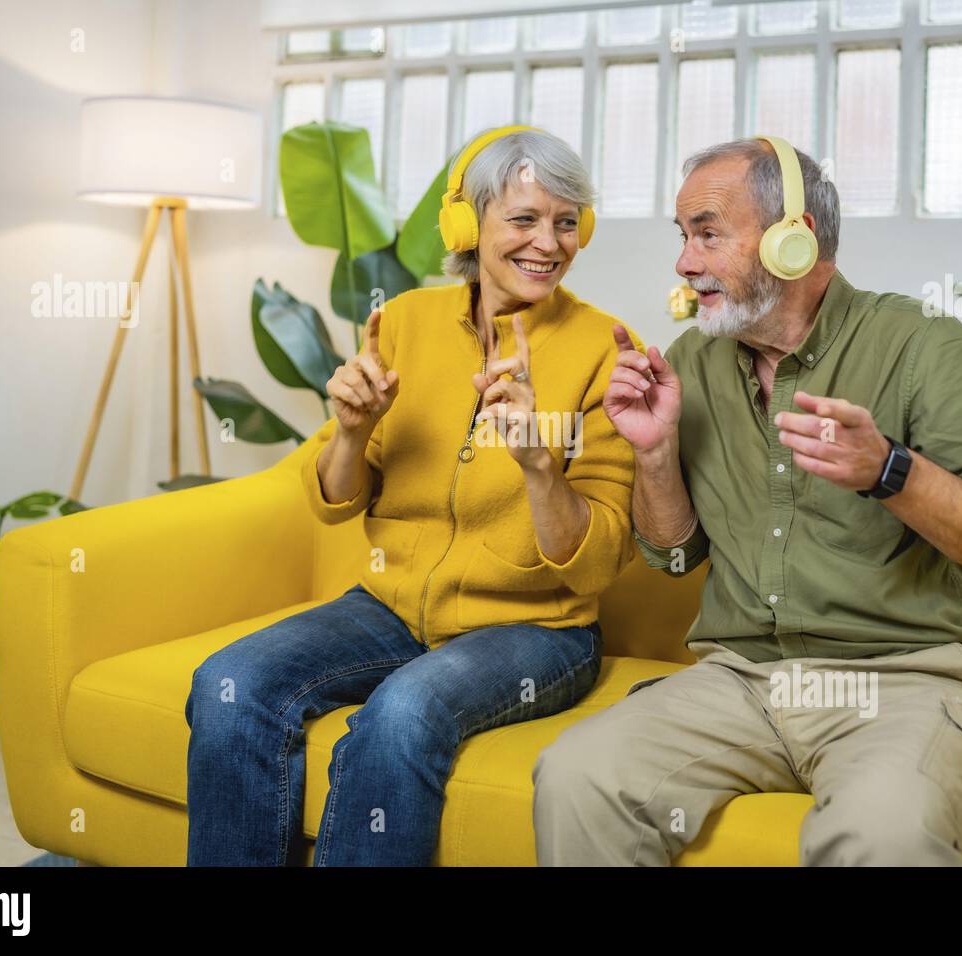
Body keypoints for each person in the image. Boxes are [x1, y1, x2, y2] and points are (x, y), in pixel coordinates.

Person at [532, 135, 962, 866]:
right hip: (738, 682)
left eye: (708, 233)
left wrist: (890, 471)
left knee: (882, 835)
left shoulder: (921, 345)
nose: (684, 262)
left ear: (793, 241)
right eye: (683, 237)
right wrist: (652, 456)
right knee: (577, 777)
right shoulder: (690, 362)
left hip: (904, 681)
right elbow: (675, 555)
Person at [184, 126, 641, 866]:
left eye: (566, 222)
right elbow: (336, 500)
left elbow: (592, 566)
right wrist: (350, 431)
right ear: (468, 224)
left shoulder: (605, 350)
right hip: (390, 609)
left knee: (402, 714)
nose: (548, 243)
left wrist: (537, 467)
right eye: (523, 220)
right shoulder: (403, 323)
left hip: (537, 630)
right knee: (229, 684)